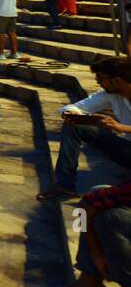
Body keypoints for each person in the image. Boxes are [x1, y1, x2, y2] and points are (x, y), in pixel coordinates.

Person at [37, 57, 131, 201]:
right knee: (73, 125)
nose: (98, 82)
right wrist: (73, 114)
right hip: (127, 150)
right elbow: (73, 107)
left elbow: (121, 128)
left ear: (116, 80)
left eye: (100, 78)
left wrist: (120, 127)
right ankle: (65, 184)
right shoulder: (110, 94)